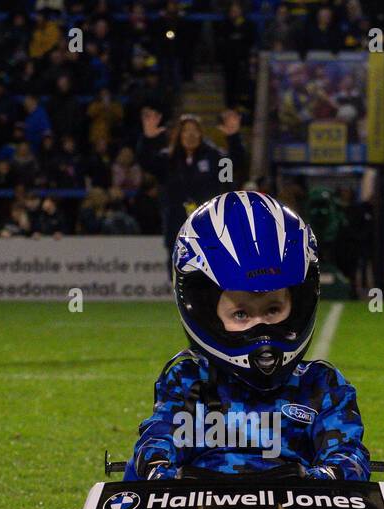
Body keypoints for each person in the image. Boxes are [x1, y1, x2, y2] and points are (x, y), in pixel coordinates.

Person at [124, 190, 369, 481]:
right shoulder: (187, 379)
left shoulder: (320, 385)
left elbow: (349, 455)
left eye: (273, 310)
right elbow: (158, 437)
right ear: (206, 313)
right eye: (241, 314)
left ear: (298, 304)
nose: (261, 327)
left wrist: (322, 477)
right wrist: (156, 469)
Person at [137, 108, 246, 277]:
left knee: (209, 275)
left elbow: (235, 165)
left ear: (201, 134)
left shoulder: (214, 157)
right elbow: (146, 163)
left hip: (208, 225)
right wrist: (148, 139)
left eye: (195, 130)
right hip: (176, 225)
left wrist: (234, 137)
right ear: (179, 134)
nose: (190, 135)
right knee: (179, 274)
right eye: (186, 130)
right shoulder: (167, 159)